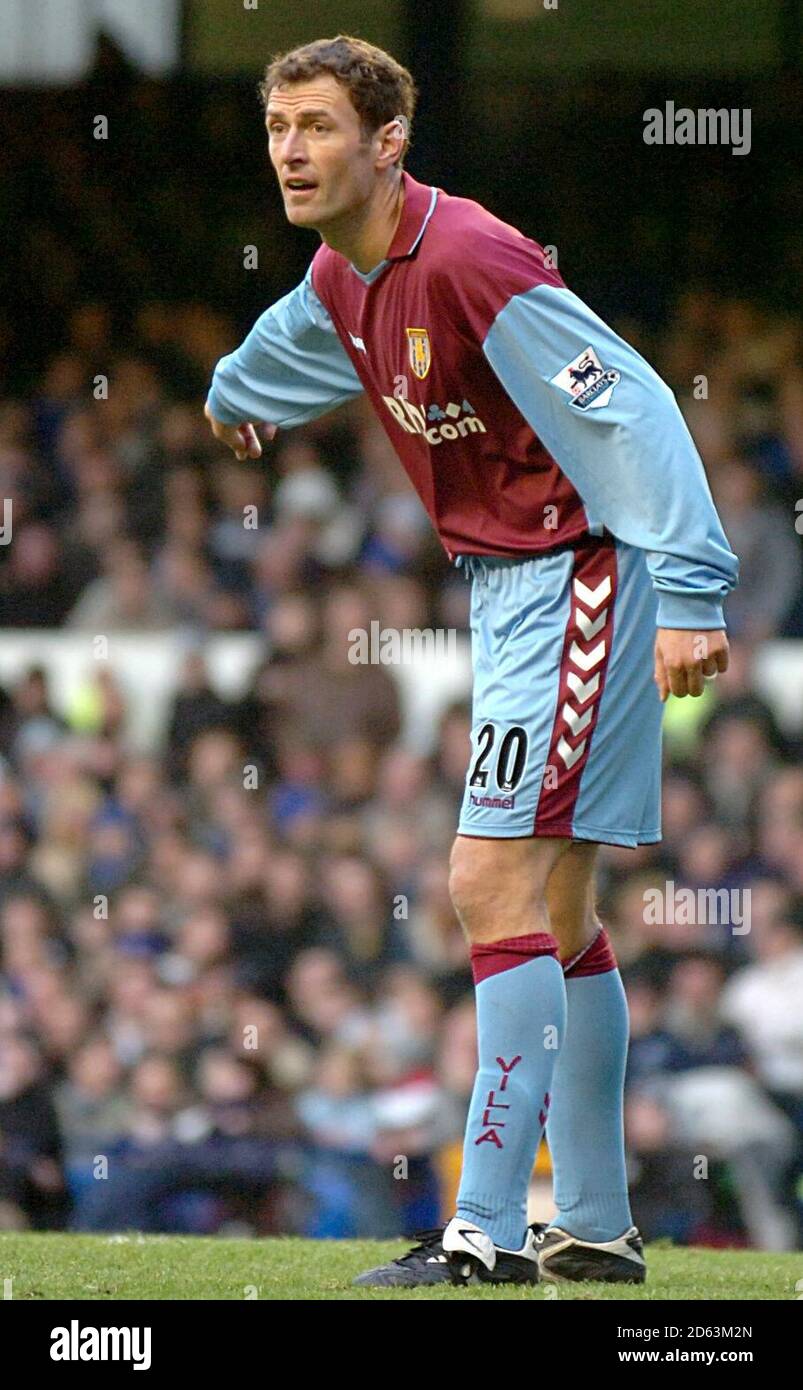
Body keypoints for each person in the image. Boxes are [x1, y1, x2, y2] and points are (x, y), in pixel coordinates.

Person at [204, 34, 737, 1286]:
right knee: (554, 909)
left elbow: (635, 406)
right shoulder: (344, 275)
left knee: (483, 888)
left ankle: (485, 1233)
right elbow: (285, 342)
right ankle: (595, 1225)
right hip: (510, 592)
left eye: (318, 127)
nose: (290, 150)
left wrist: (693, 589)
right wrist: (235, 393)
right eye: (279, 126)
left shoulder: (471, 256)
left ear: (386, 143)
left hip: (585, 574)